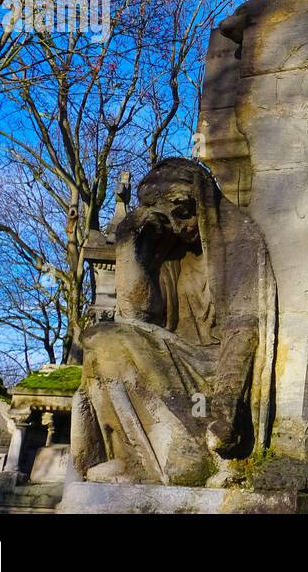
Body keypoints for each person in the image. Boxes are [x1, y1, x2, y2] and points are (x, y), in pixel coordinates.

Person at [71, 159, 277, 486]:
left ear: (204, 205)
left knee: (109, 341)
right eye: (168, 218)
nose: (179, 227)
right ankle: (138, 457)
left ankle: (184, 457)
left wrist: (226, 404)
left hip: (214, 366)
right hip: (169, 358)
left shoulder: (238, 239)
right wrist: (130, 248)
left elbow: (243, 330)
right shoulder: (171, 253)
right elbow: (138, 317)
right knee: (101, 339)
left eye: (184, 213)